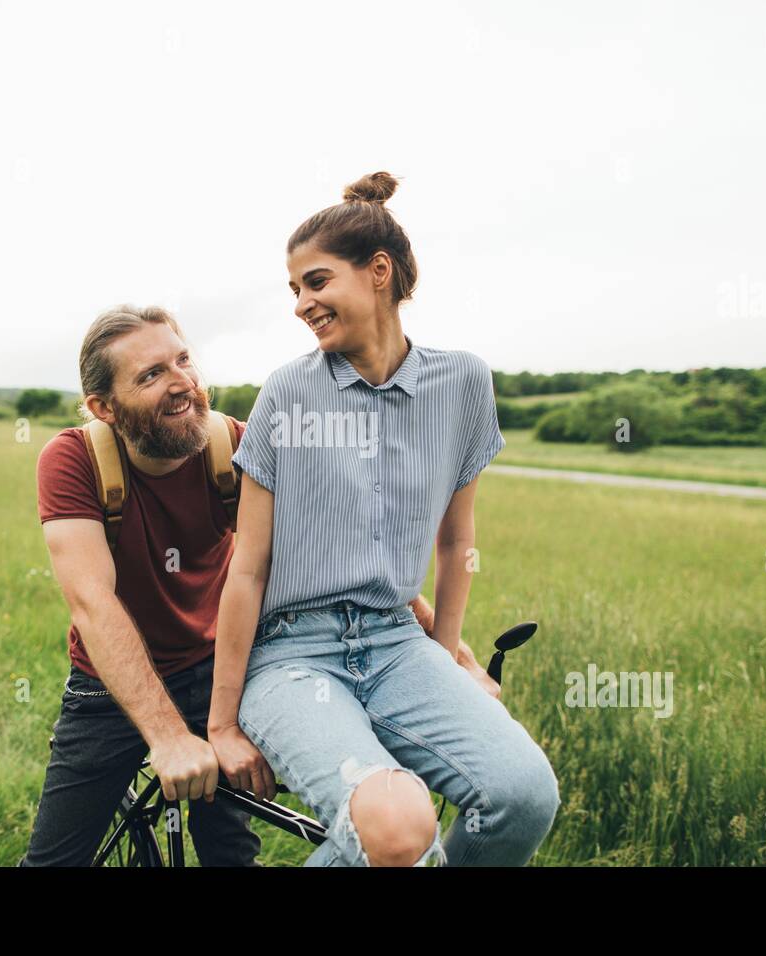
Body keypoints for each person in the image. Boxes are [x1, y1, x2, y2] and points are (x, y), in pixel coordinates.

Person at [208, 172, 561, 866]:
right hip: (291, 655)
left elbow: (457, 540)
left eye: (316, 282)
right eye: (295, 291)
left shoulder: (462, 382)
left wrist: (447, 652)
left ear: (378, 272)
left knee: (524, 796)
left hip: (400, 643)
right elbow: (248, 567)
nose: (303, 305)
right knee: (400, 831)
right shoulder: (288, 392)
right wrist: (222, 723)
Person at [20, 305, 261, 866]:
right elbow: (91, 602)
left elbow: (324, 550)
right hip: (108, 681)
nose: (183, 385)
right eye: (151, 375)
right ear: (104, 408)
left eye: (183, 360)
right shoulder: (74, 459)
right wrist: (169, 736)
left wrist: (436, 639)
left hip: (214, 669)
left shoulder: (235, 447)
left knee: (233, 855)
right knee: (55, 862)